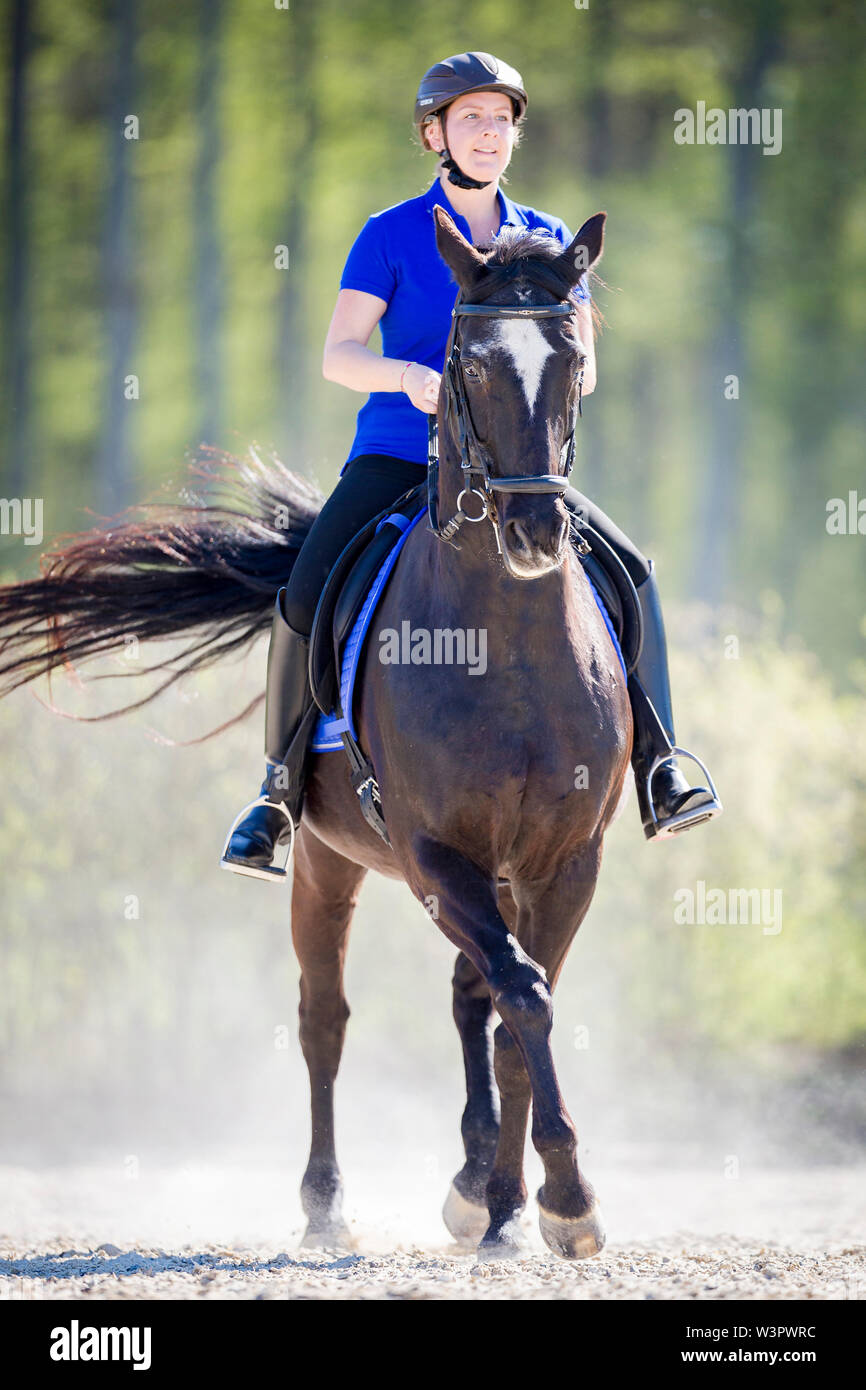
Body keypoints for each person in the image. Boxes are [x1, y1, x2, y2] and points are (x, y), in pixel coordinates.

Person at [221, 51, 721, 881]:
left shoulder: (552, 242)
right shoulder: (387, 236)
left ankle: (662, 765)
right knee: (305, 592)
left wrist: (549, 370)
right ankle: (275, 795)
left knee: (633, 573)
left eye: (501, 121)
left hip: (518, 466)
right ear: (434, 134)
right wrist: (412, 377)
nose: (489, 135)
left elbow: (585, 363)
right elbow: (339, 355)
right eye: (470, 120)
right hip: (398, 455)